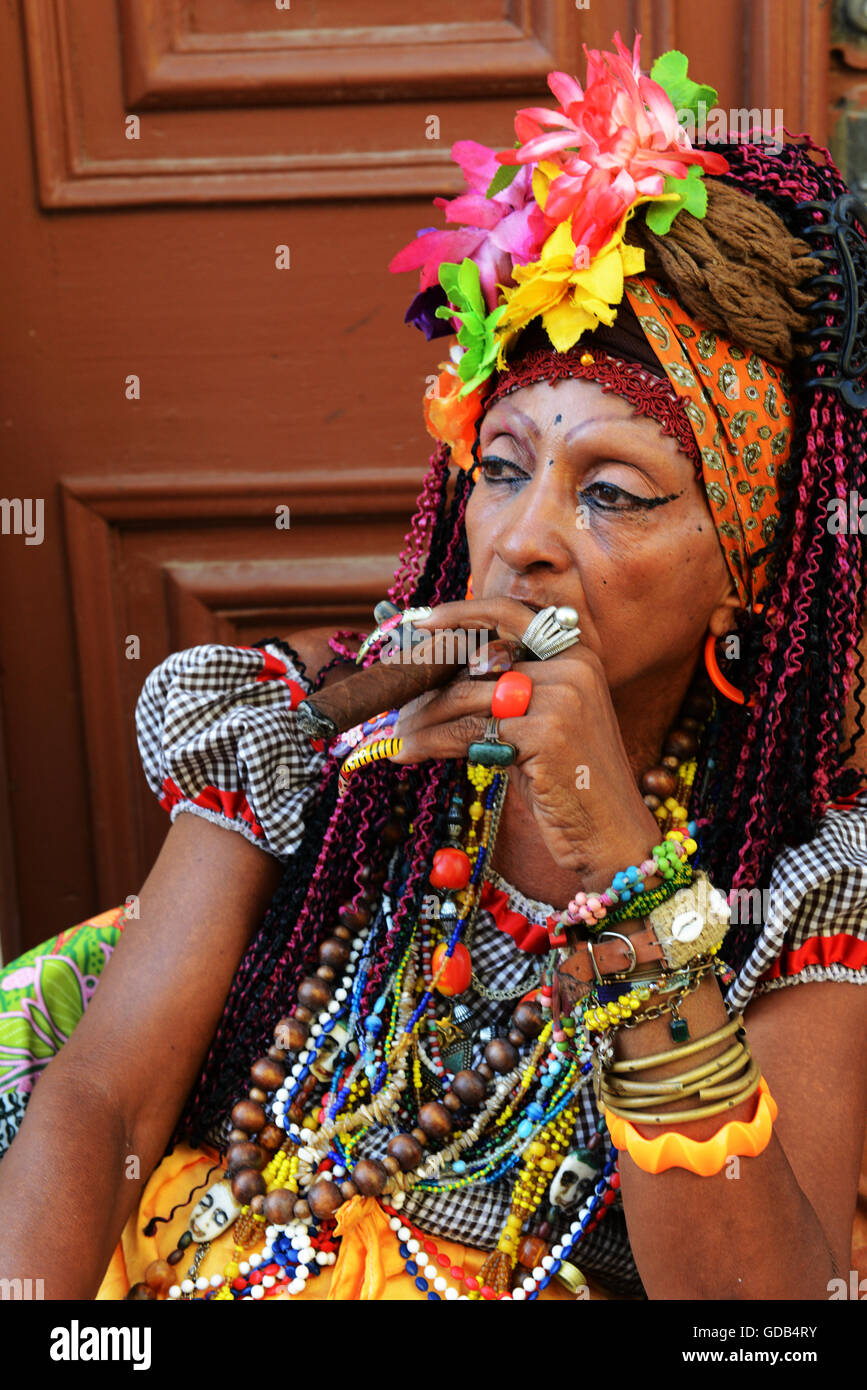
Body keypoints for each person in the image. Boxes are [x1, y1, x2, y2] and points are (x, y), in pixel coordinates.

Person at [1, 32, 866, 1303]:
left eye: (614, 494)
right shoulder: (316, 740)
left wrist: (622, 865)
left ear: (751, 569)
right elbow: (101, 1100)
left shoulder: (802, 880)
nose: (522, 541)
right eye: (503, 467)